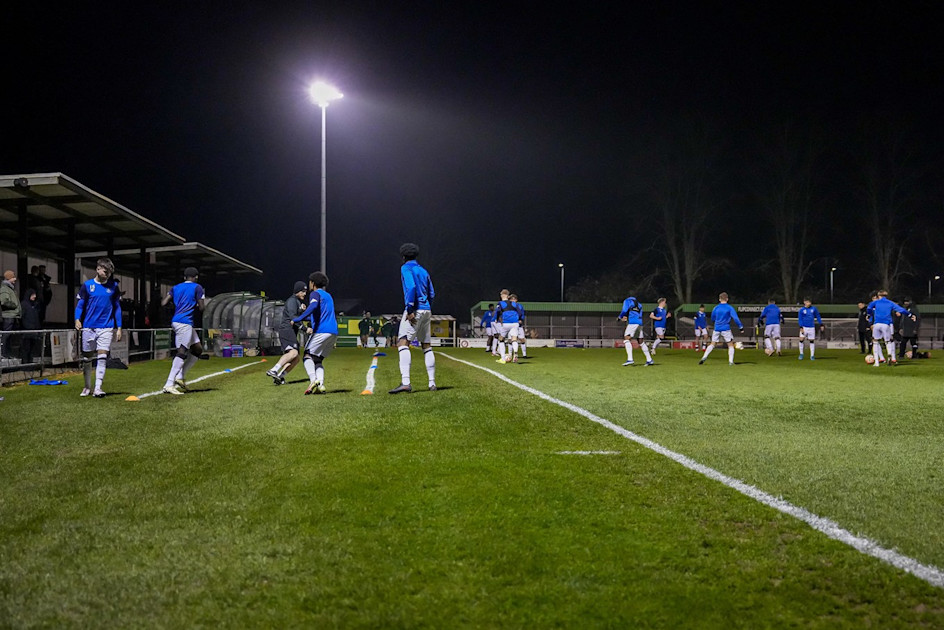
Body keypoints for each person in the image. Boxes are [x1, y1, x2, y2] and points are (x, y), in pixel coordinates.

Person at [389, 243, 436, 393]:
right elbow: (432, 293)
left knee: (402, 342)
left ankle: (406, 383)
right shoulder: (423, 270)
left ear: (403, 256)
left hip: (415, 309)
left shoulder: (406, 268)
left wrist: (410, 308)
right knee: (426, 345)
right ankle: (432, 383)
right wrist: (427, 306)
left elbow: (411, 287)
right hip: (426, 309)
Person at [75, 258, 122, 397]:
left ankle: (98, 388)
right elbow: (80, 305)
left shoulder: (113, 287)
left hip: (106, 326)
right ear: (98, 269)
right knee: (87, 358)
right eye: (105, 271)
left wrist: (119, 327)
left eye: (109, 273)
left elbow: (117, 307)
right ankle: (87, 386)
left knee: (102, 356)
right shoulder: (87, 285)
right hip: (89, 327)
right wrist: (77, 319)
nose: (107, 274)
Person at [160, 267, 206, 395]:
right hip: (184, 322)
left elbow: (163, 303)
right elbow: (202, 308)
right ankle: (169, 384)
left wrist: (178, 304)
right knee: (182, 351)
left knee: (197, 349)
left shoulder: (175, 287)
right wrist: (195, 304)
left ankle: (180, 376)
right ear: (196, 277)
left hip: (177, 321)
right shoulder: (198, 287)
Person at [292, 271, 338, 394]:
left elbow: (312, 307)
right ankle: (321, 384)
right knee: (317, 360)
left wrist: (298, 319)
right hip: (333, 332)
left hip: (321, 331)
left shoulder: (315, 294)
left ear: (312, 283)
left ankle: (313, 380)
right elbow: (318, 314)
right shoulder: (328, 296)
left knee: (307, 355)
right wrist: (305, 316)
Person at [266, 281, 309, 384]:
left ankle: (280, 377)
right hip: (287, 330)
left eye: (305, 291)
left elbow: (297, 315)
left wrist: (302, 311)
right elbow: (293, 318)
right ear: (297, 291)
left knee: (296, 358)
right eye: (303, 291)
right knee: (293, 353)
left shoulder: (297, 302)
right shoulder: (292, 301)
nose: (305, 293)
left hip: (291, 331)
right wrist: (305, 328)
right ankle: (274, 370)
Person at [867, 290, 911, 367]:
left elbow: (869, 308)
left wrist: (869, 314)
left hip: (877, 324)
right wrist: (910, 315)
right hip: (886, 325)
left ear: (878, 296)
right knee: (888, 341)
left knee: (875, 342)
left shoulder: (876, 302)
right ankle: (890, 356)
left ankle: (876, 362)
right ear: (886, 296)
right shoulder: (890, 303)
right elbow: (901, 310)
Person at [699, 292, 744, 366]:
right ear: (727, 299)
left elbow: (713, 318)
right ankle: (731, 362)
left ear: (719, 299)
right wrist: (740, 327)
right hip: (726, 328)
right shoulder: (729, 308)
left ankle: (704, 357)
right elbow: (735, 318)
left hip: (716, 328)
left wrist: (717, 322)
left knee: (712, 344)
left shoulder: (716, 308)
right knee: (730, 344)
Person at [618, 295, 653, 366]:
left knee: (626, 338)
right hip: (639, 323)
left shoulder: (627, 301)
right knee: (641, 341)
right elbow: (639, 313)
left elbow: (624, 310)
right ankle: (649, 359)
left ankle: (630, 359)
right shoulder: (639, 304)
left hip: (633, 323)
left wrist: (620, 317)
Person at [495, 290, 523, 364]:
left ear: (501, 295)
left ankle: (503, 359)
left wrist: (496, 319)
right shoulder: (514, 303)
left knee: (501, 339)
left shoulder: (500, 303)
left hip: (506, 323)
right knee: (514, 339)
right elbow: (520, 312)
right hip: (515, 323)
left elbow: (497, 311)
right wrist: (519, 319)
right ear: (508, 295)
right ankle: (515, 353)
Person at [1, 270, 21, 359]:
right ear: (9, 278)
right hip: (8, 315)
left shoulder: (10, 288)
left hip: (12, 315)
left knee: (9, 336)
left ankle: (7, 354)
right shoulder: (5, 288)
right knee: (6, 335)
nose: (15, 279)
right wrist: (14, 305)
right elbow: (4, 301)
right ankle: (3, 353)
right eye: (13, 277)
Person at [19, 288, 42, 364]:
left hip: (34, 330)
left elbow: (36, 318)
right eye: (33, 295)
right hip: (26, 330)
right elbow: (21, 317)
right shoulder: (24, 304)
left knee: (32, 348)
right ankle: (25, 363)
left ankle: (29, 363)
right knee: (26, 348)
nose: (34, 296)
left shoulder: (34, 305)